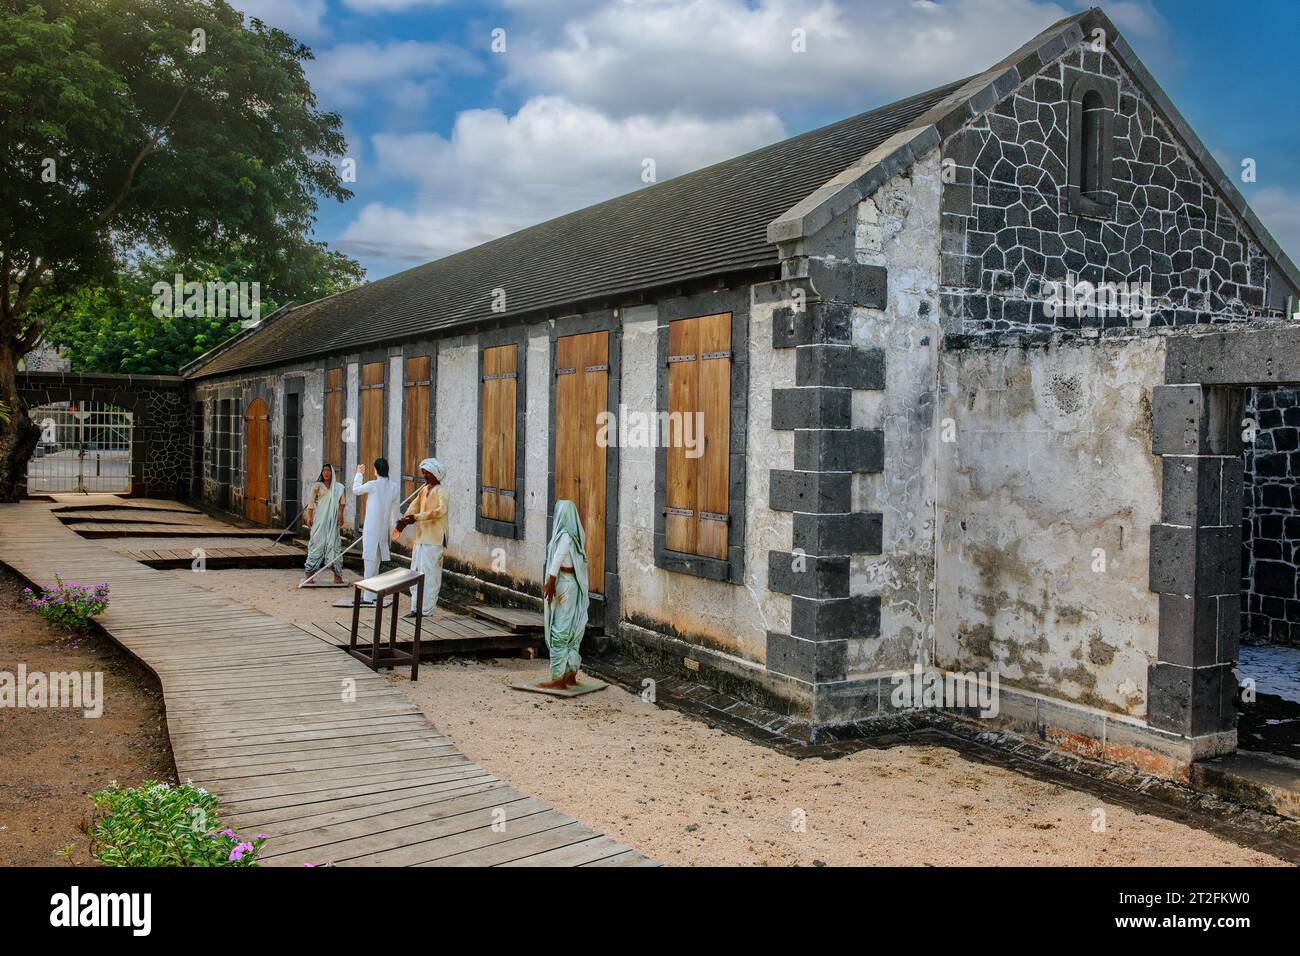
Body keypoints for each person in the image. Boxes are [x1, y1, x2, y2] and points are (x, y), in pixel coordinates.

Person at [537, 499, 588, 689]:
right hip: (571, 584)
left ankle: (558, 676)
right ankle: (570, 671)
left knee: (559, 629)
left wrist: (550, 582)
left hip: (564, 585)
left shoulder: (565, 536)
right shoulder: (576, 536)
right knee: (573, 626)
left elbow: (557, 560)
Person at [394, 457, 448, 619]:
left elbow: (440, 511)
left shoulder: (442, 492)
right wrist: (403, 521)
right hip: (421, 539)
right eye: (423, 473)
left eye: (427, 473)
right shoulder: (423, 491)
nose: (424, 476)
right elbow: (413, 507)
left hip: (435, 539)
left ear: (435, 474)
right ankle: (415, 608)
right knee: (415, 573)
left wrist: (416, 518)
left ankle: (426, 611)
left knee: (430, 576)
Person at [353, 458, 401, 604]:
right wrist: (395, 527)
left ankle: (368, 597)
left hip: (371, 529)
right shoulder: (393, 487)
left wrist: (359, 474)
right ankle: (373, 595)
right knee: (376, 564)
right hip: (382, 530)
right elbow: (395, 510)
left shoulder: (372, 485)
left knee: (369, 563)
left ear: (376, 470)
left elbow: (356, 490)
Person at [303, 464, 345, 585]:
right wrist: (309, 517)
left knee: (335, 546)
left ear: (332, 473)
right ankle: (309, 575)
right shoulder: (317, 486)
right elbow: (311, 503)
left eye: (328, 471)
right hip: (320, 520)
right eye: (324, 471)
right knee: (316, 545)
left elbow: (342, 503)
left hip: (333, 522)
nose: (326, 473)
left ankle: (337, 577)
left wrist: (341, 516)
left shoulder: (339, 487)